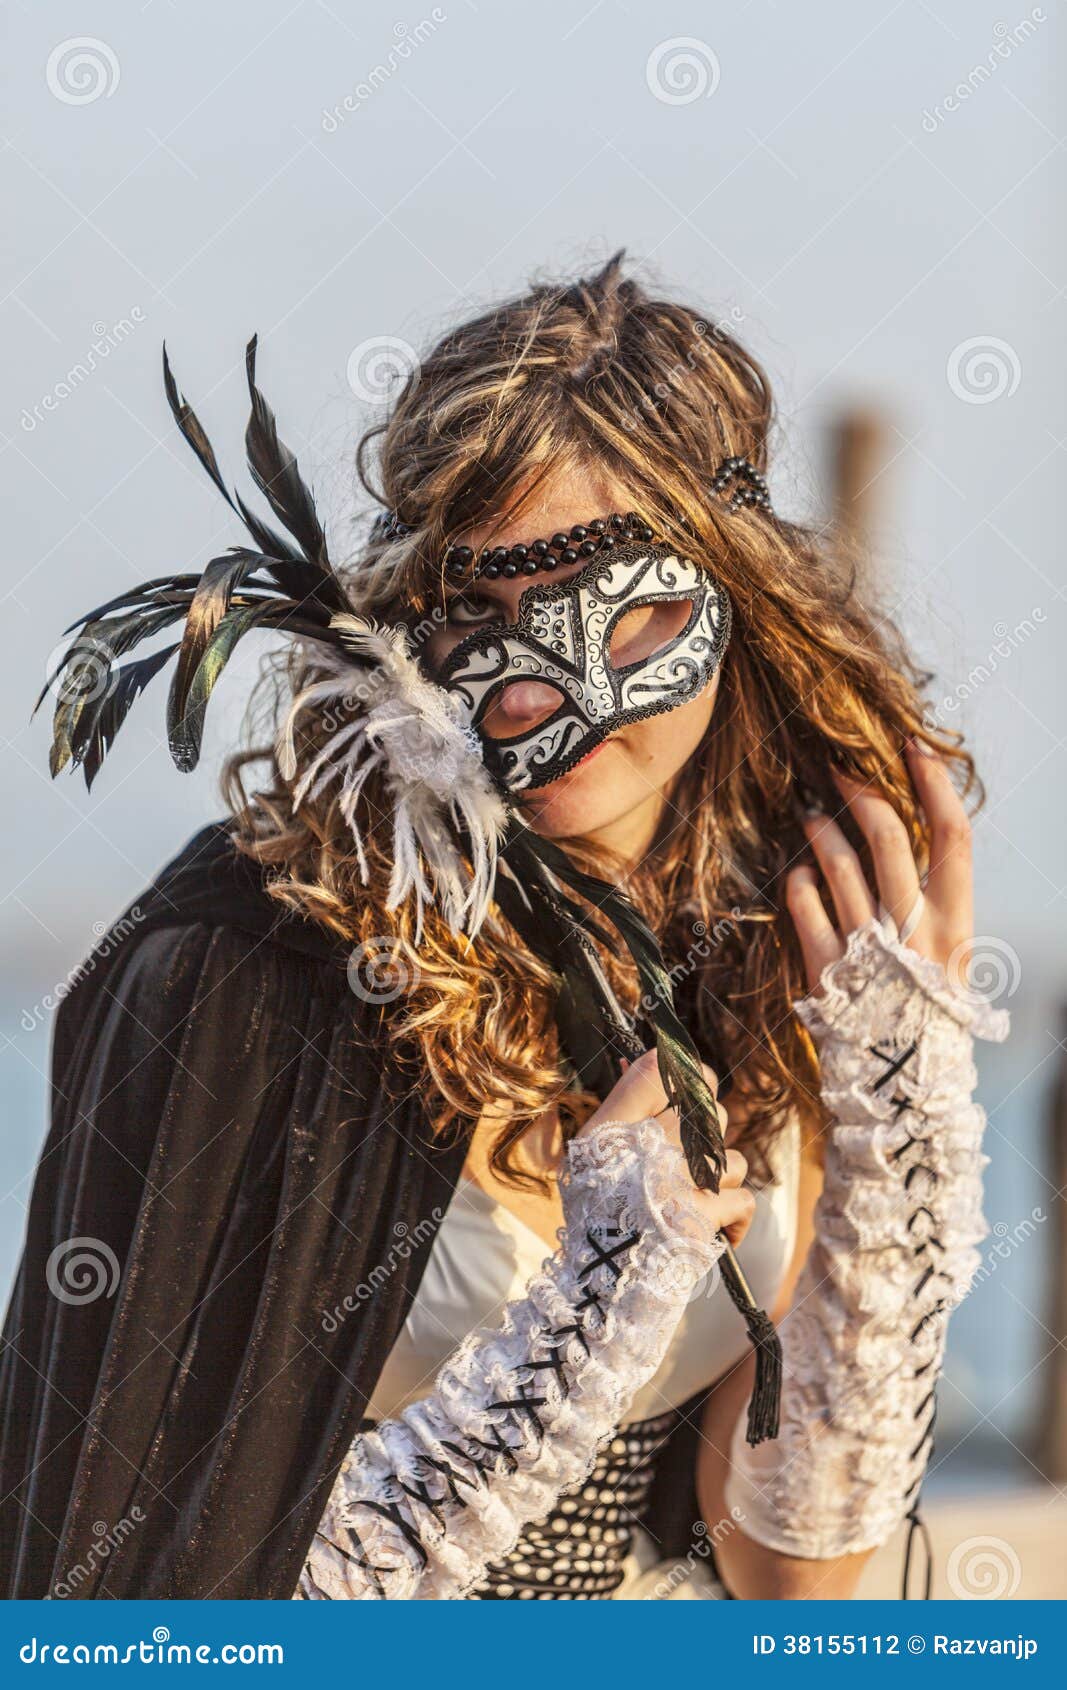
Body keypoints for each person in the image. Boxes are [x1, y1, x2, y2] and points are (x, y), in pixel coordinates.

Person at [0, 254, 1006, 1601]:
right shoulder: (241, 975)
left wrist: (899, 1139)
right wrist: (575, 1329)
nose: (548, 693)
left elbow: (788, 1584)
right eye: (479, 615)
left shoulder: (784, 949)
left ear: (742, 595)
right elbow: (144, 1612)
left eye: (629, 609)